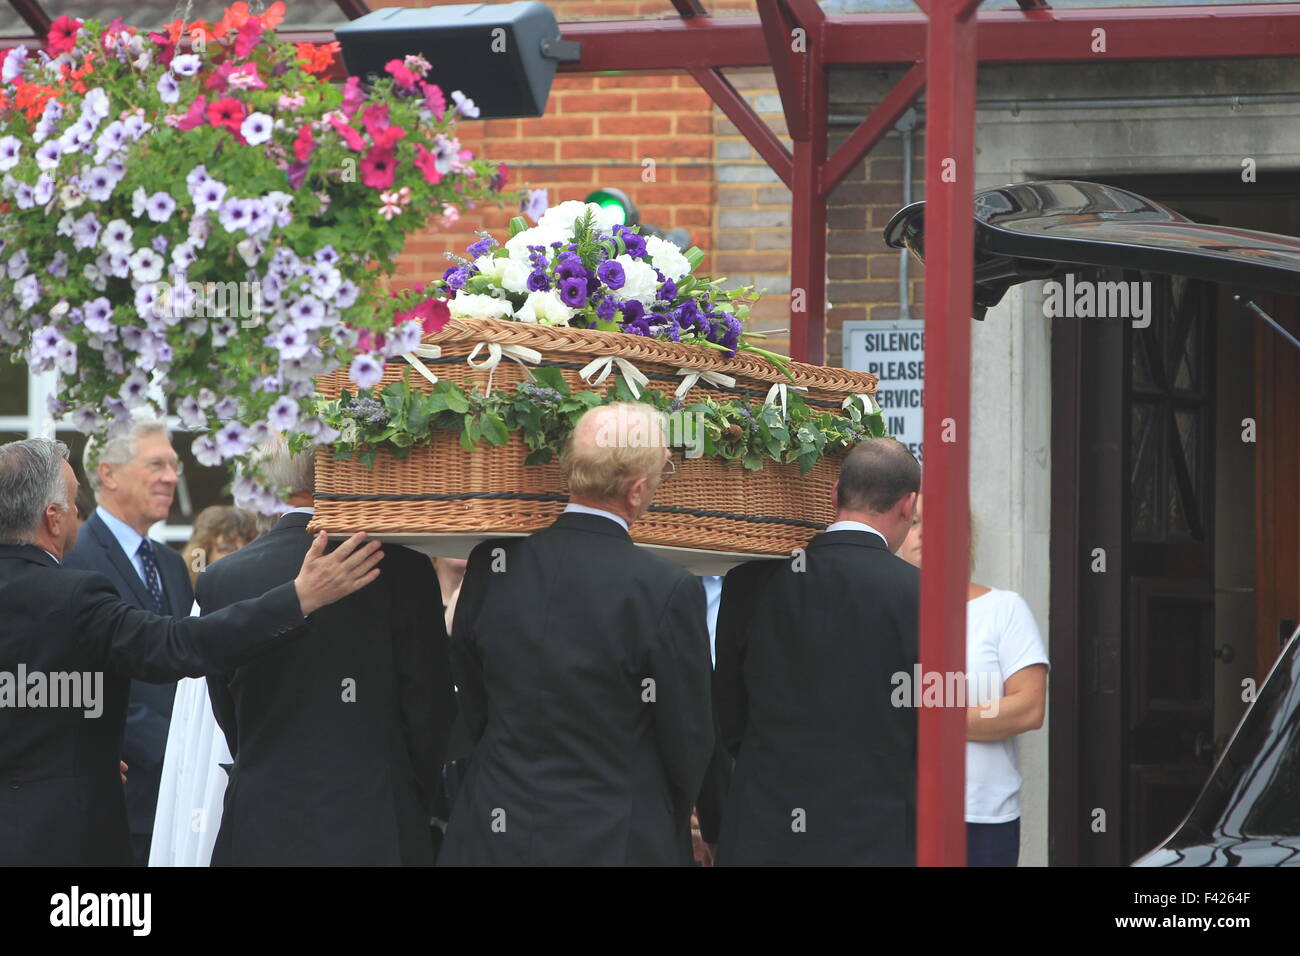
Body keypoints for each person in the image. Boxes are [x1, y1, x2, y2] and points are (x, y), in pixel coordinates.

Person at [0, 437, 384, 866]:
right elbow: (176, 646)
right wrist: (298, 597)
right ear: (52, 519)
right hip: (61, 842)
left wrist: (84, 751)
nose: (78, 514)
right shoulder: (74, 594)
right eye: (73, 503)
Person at [439, 402, 715, 867]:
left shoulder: (492, 564)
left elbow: (472, 696)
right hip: (612, 836)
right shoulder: (667, 589)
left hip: (493, 826)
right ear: (638, 490)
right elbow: (688, 738)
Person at [200, 437, 456, 866]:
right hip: (376, 824)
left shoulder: (222, 579)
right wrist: (405, 795)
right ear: (338, 470)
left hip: (263, 823)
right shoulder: (404, 569)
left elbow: (229, 714)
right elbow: (431, 711)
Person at [713, 437, 921, 866]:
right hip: (874, 835)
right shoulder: (923, 595)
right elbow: (934, 727)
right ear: (907, 505)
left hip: (763, 830)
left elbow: (727, 714)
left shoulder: (748, 584)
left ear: (834, 495)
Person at [62, 419, 193, 865]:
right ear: (109, 474)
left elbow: (184, 663)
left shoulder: (172, 565)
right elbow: (78, 675)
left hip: (177, 801)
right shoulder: (74, 556)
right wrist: (175, 750)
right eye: (156, 464)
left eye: (174, 466)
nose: (172, 477)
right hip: (117, 799)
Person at [898, 497, 1048, 867]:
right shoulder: (883, 613)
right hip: (897, 816)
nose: (923, 535)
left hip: (982, 820)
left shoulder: (1004, 609)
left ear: (963, 536)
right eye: (913, 523)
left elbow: (1028, 706)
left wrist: (930, 719)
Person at [150, 507, 258, 867]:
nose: (238, 555)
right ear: (204, 553)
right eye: (227, 548)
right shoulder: (194, 608)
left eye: (247, 546)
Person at [182, 505, 259, 588]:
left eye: (250, 547)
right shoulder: (183, 597)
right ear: (204, 556)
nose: (241, 555)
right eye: (227, 548)